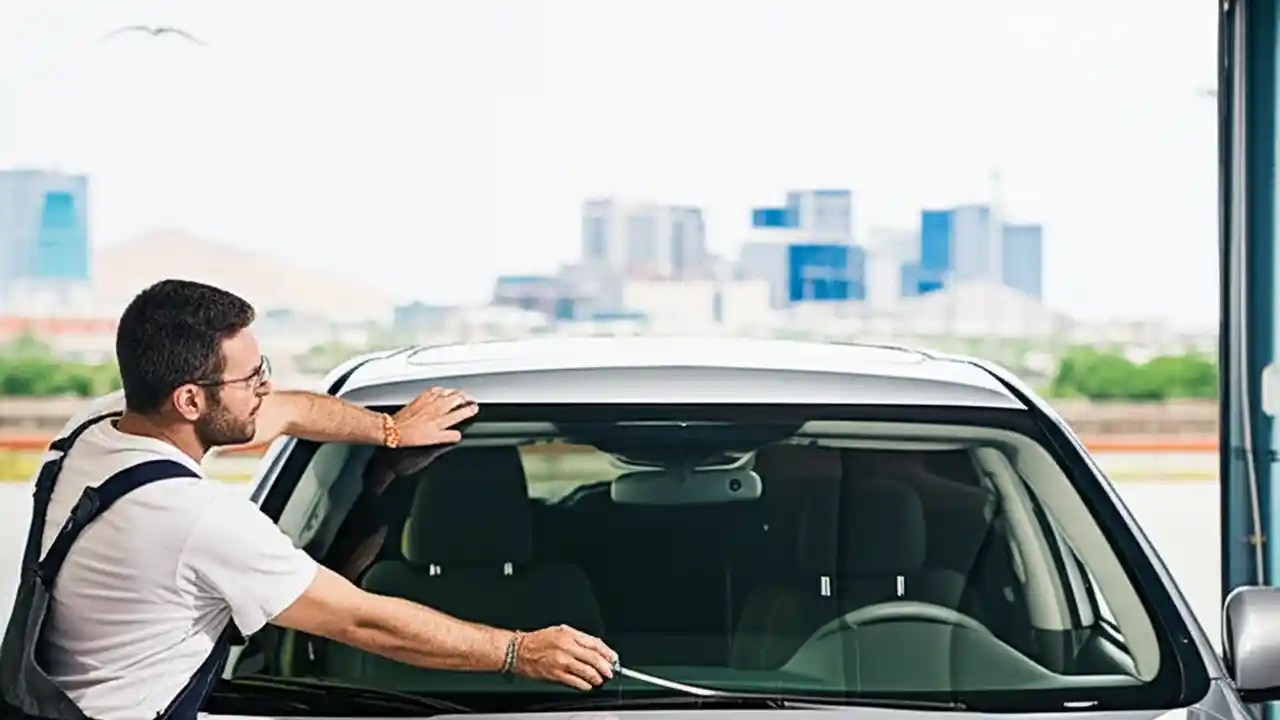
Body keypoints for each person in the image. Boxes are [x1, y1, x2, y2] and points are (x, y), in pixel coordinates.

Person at [1, 279, 615, 720]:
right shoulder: (200, 522)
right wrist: (519, 649)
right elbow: (362, 619)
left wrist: (389, 431)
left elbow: (287, 411)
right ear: (189, 400)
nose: (265, 384)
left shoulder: (95, 428)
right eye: (251, 377)